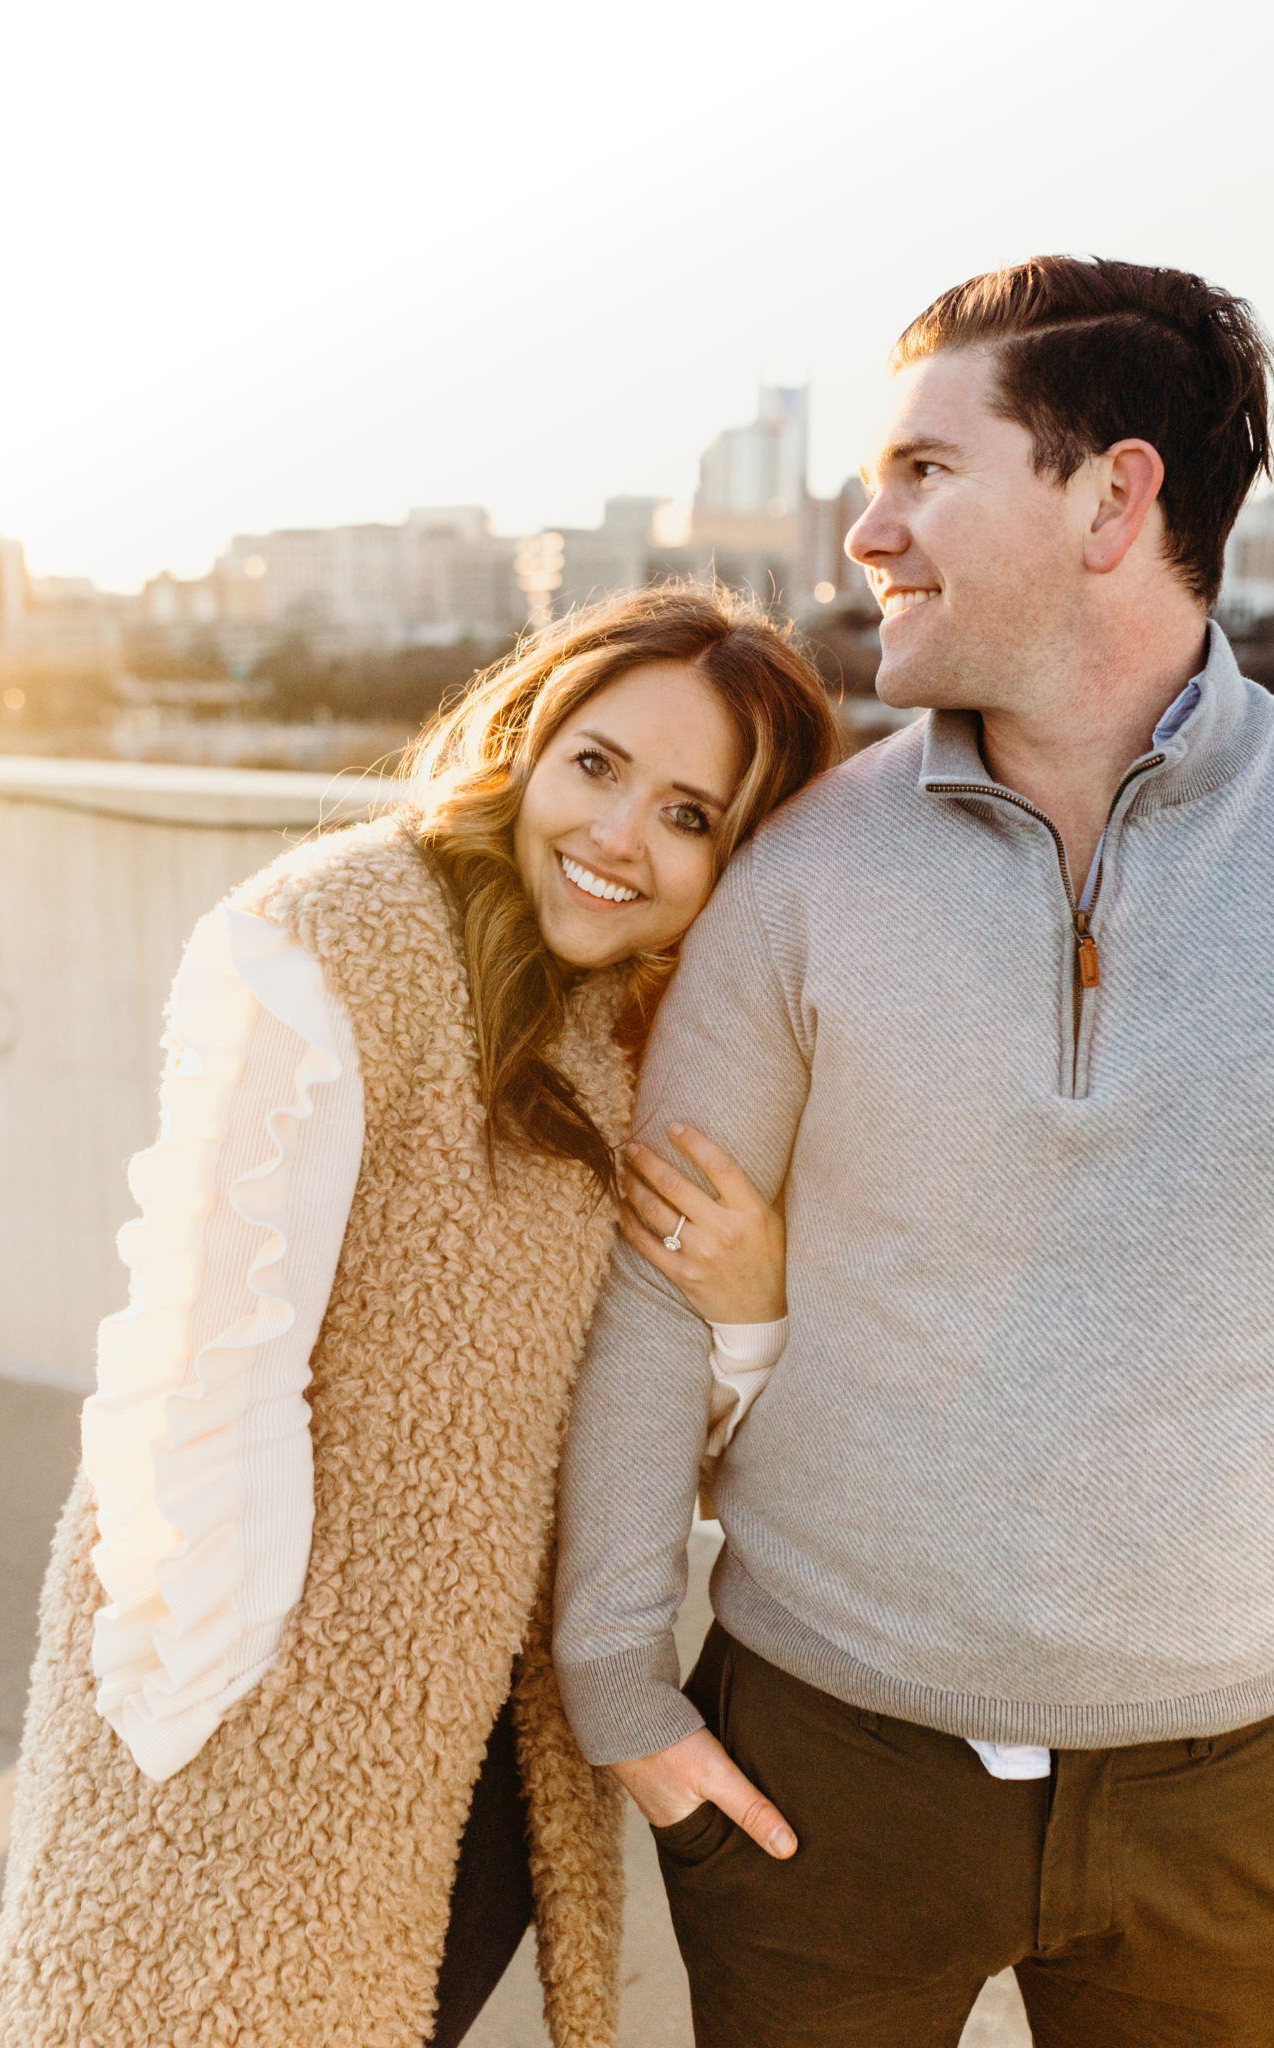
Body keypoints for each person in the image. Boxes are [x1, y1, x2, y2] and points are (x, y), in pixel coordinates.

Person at [553, 256, 1274, 2047]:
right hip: (827, 1781)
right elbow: (657, 1280)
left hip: (1234, 1804)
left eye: (927, 473)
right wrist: (618, 1683)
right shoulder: (798, 873)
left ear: (1114, 497)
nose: (868, 530)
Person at [0, 586, 835, 2048]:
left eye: (690, 817)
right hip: (243, 1724)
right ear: (526, 741)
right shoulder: (337, 938)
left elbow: (638, 1432)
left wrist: (748, 1314)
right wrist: (215, 1745)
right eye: (598, 767)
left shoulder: (637, 1041)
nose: (621, 839)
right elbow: (201, 1374)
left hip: (480, 1752)